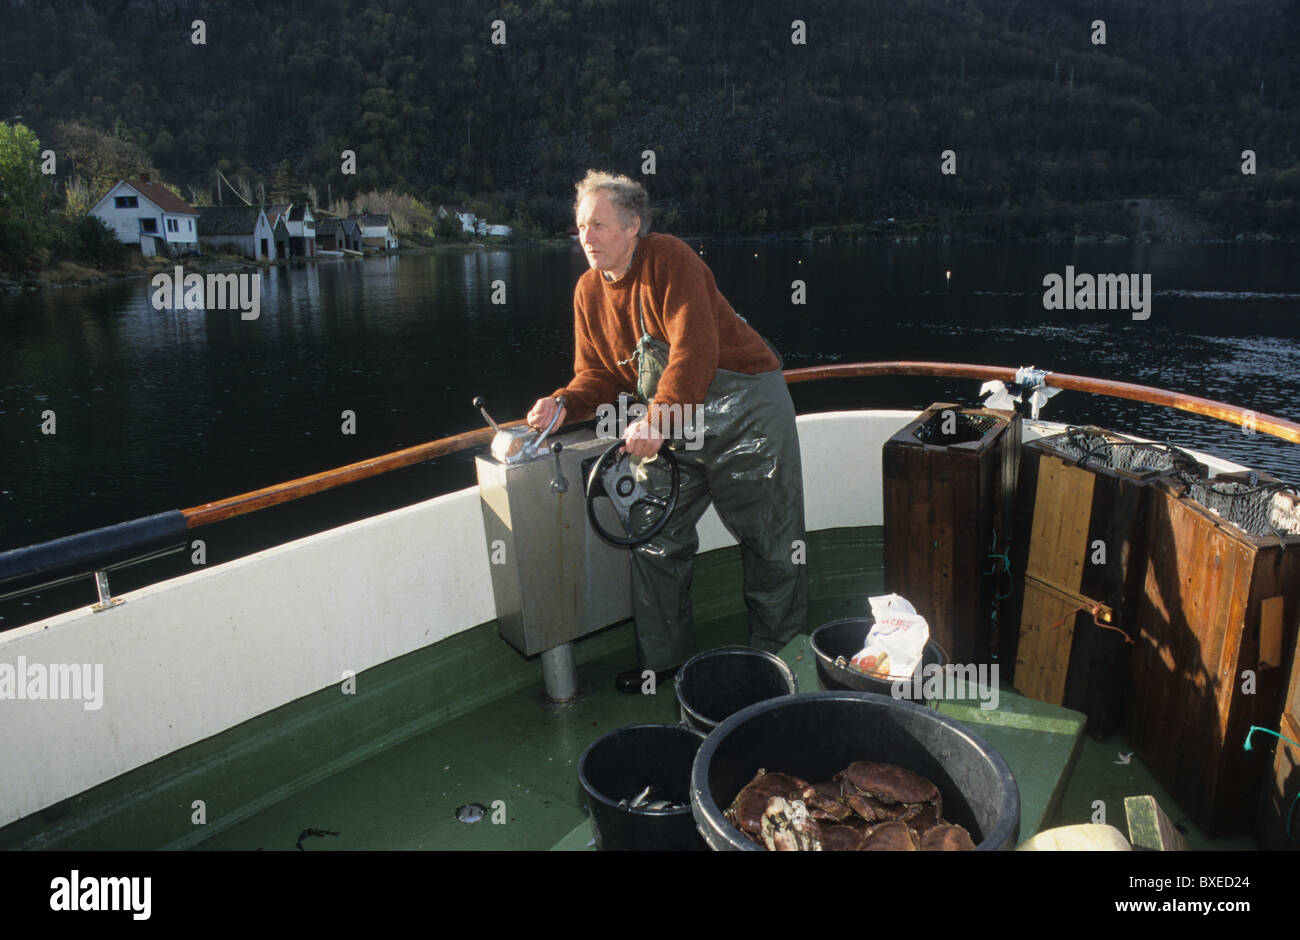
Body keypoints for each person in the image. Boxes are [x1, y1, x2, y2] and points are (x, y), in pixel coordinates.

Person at [528, 170, 807, 692]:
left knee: (771, 544)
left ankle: (781, 667)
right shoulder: (588, 291)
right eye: (581, 227)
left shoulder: (671, 259)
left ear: (633, 225)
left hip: (744, 408)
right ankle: (666, 664)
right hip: (672, 420)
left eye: (599, 225)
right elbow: (599, 373)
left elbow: (692, 350)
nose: (586, 238)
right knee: (653, 537)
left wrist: (657, 417)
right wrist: (564, 403)